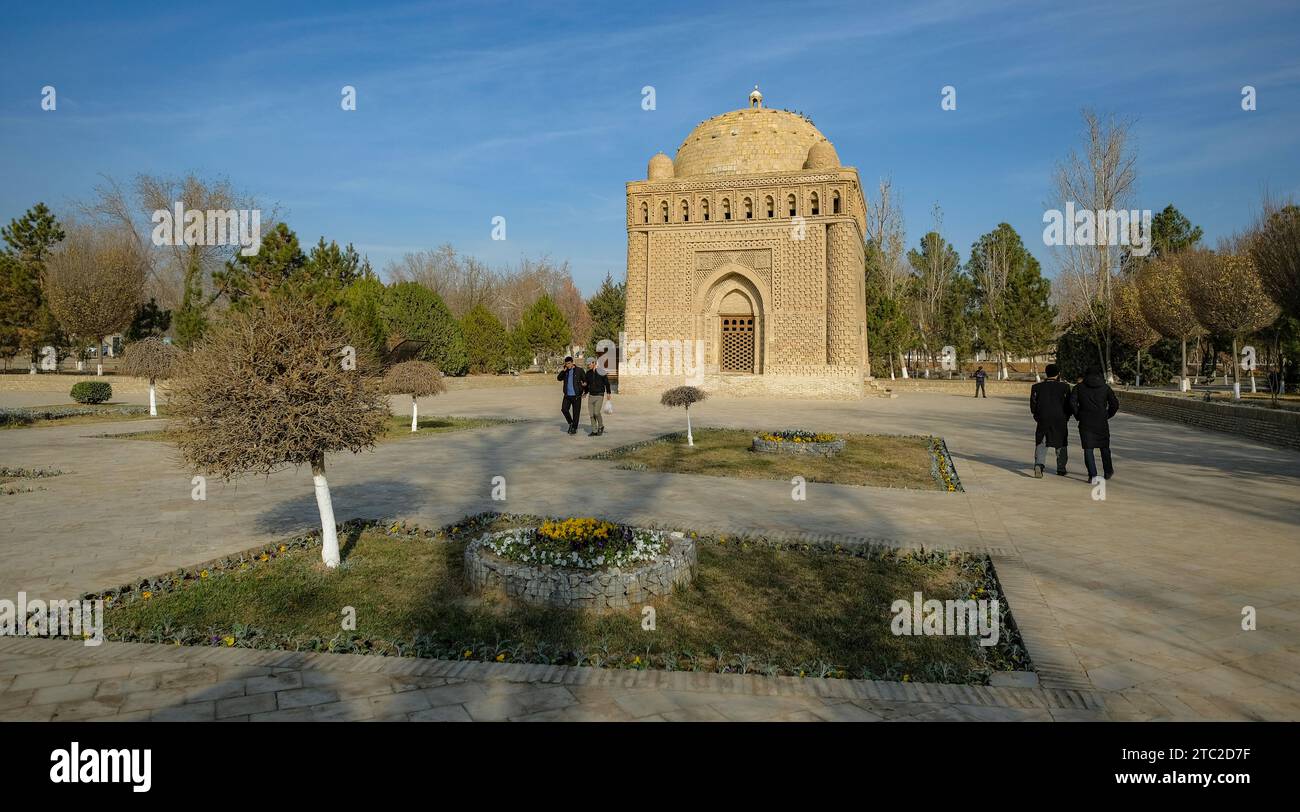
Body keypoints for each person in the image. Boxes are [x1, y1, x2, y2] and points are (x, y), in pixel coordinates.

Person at [1069, 365, 1120, 481]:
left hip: (1085, 421)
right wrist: (1107, 415)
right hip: (1101, 421)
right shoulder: (1105, 388)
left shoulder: (1078, 387)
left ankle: (1092, 475)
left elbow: (1072, 403)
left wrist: (1078, 415)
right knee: (1104, 447)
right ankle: (1108, 471)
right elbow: (1115, 404)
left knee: (1088, 448)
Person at [1029, 363, 1071, 477]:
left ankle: (1039, 465)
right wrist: (1066, 416)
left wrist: (1037, 416)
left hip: (1043, 418)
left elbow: (1033, 405)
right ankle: (1061, 468)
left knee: (1042, 442)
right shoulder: (1065, 387)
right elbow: (1069, 405)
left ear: (1046, 373)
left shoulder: (1036, 387)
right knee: (1061, 442)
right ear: (1058, 374)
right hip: (1060, 418)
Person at [583, 357, 610, 436]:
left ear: (594, 363)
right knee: (591, 415)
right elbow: (587, 384)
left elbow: (607, 383)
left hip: (599, 395)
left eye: (589, 364)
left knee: (596, 412)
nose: (588, 366)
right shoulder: (588, 373)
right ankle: (594, 430)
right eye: (587, 364)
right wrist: (585, 391)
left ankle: (601, 426)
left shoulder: (602, 371)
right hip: (591, 395)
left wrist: (608, 393)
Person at [557, 356, 583, 434]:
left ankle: (574, 428)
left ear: (572, 362)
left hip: (576, 396)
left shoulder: (579, 370)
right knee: (564, 409)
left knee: (576, 413)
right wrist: (563, 371)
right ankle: (571, 423)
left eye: (569, 363)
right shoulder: (566, 371)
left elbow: (585, 380)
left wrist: (583, 391)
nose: (568, 365)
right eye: (566, 364)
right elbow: (559, 378)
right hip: (567, 395)